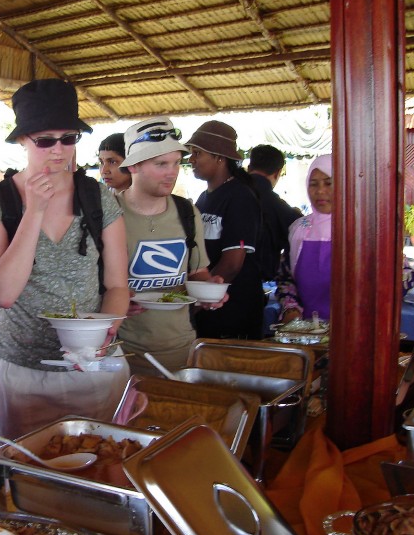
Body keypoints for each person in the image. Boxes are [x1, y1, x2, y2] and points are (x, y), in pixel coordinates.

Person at [0, 78, 131, 440]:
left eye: (69, 138)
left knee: (96, 465)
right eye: (45, 141)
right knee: (25, 475)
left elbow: (117, 284)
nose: (59, 150)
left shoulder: (98, 198)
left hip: (92, 368)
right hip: (22, 371)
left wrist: (105, 331)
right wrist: (34, 212)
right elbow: (3, 294)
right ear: (21, 141)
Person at [116, 117, 227, 373]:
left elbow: (197, 272)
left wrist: (209, 291)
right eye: (161, 164)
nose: (172, 172)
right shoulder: (109, 214)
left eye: (177, 162)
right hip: (122, 350)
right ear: (133, 166)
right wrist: (113, 298)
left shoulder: (188, 212)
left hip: (181, 346)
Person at [187, 120, 264, 340]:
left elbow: (232, 263)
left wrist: (201, 300)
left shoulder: (240, 196)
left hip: (233, 307)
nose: (191, 159)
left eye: (197, 153)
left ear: (219, 157)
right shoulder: (204, 198)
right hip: (209, 303)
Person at [277, 154, 333, 322]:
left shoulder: (362, 229)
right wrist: (290, 308)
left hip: (352, 332)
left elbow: (403, 275)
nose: (320, 191)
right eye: (313, 184)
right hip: (305, 332)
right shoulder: (299, 229)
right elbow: (285, 279)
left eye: (329, 183)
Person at [247, 145, 302, 281]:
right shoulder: (279, 207)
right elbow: (301, 235)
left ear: (249, 168)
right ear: (277, 173)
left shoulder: (227, 194)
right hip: (257, 283)